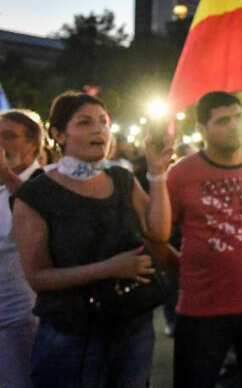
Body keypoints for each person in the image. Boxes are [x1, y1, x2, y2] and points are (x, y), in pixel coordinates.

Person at [11, 92, 172, 388]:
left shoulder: (122, 179)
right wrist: (110, 268)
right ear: (58, 134)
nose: (99, 130)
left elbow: (159, 232)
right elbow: (38, 277)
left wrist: (157, 171)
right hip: (72, 335)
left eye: (103, 122)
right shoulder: (35, 195)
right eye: (85, 123)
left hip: (132, 325)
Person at [166, 91, 242, 388]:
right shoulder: (180, 174)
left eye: (238, 117)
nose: (234, 125)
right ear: (202, 129)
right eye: (222, 121)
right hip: (202, 310)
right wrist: (183, 269)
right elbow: (157, 236)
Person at [0, 110, 44, 388]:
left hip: (26, 316)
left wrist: (5, 173)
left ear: (33, 144)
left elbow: (40, 213)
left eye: (9, 136)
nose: (1, 143)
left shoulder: (45, 183)